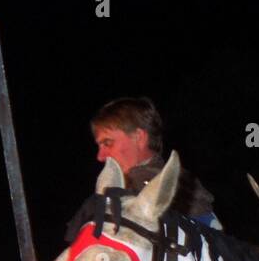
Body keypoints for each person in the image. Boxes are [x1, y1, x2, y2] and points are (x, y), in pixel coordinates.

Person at [89, 96, 220, 227]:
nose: (100, 156)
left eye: (108, 143)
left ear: (138, 137)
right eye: (100, 146)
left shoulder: (175, 190)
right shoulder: (118, 189)